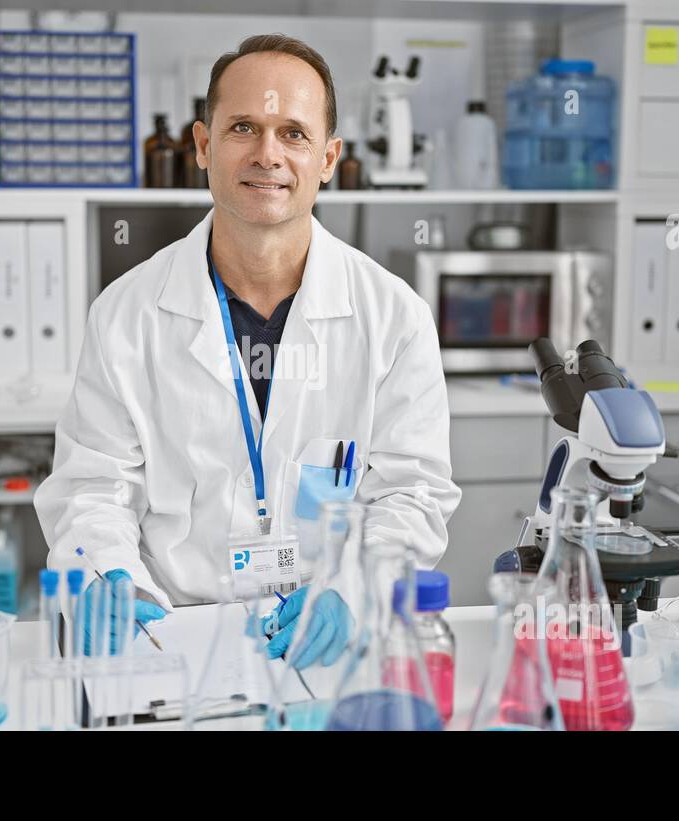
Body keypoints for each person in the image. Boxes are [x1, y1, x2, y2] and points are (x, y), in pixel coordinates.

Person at [35, 34, 460, 664]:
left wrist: (354, 589)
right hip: (171, 634)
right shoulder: (126, 313)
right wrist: (107, 577)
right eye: (243, 127)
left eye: (293, 132)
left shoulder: (393, 315)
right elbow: (93, 490)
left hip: (332, 630)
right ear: (204, 147)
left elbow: (412, 493)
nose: (268, 154)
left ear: (328, 158)